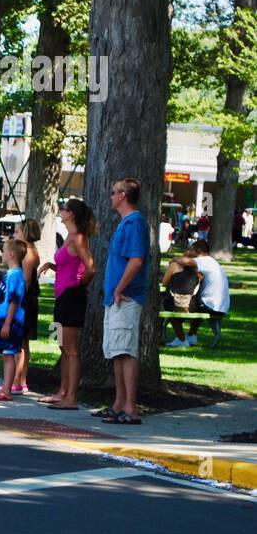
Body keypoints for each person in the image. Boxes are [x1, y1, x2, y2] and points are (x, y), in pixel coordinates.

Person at [38, 198, 98, 410]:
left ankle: (71, 398)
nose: (60, 211)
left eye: (63, 208)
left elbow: (91, 268)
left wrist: (80, 284)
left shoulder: (79, 239)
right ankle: (61, 392)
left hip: (72, 297)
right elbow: (69, 265)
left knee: (72, 350)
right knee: (62, 346)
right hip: (61, 296)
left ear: (71, 213)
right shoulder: (68, 238)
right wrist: (52, 266)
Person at [101, 177, 150, 425]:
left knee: (126, 351)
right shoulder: (125, 224)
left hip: (127, 297)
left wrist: (120, 288)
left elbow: (136, 260)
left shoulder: (135, 223)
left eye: (112, 192)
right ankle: (119, 403)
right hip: (115, 299)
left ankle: (131, 407)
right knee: (117, 352)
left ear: (122, 195)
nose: (110, 196)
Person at [0, 239, 29, 401]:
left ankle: (7, 391)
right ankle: (5, 387)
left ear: (11, 254)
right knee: (6, 355)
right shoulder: (11, 274)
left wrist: (7, 323)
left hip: (11, 323)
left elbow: (14, 301)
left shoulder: (16, 275)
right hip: (3, 321)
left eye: (4, 251)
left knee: (9, 354)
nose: (2, 254)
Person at [165, 239, 230, 347]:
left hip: (210, 304)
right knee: (195, 304)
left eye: (191, 249)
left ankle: (181, 340)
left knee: (170, 306)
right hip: (221, 305)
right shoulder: (211, 261)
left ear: (198, 250)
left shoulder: (202, 260)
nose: (189, 251)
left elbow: (184, 261)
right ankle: (191, 335)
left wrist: (175, 259)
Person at [13, 218, 42, 394]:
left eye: (17, 232)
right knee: (24, 343)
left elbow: (26, 281)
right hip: (29, 300)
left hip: (26, 301)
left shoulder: (29, 254)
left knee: (20, 343)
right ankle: (22, 380)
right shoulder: (29, 251)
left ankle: (17, 380)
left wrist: (16, 302)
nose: (14, 235)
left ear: (25, 233)